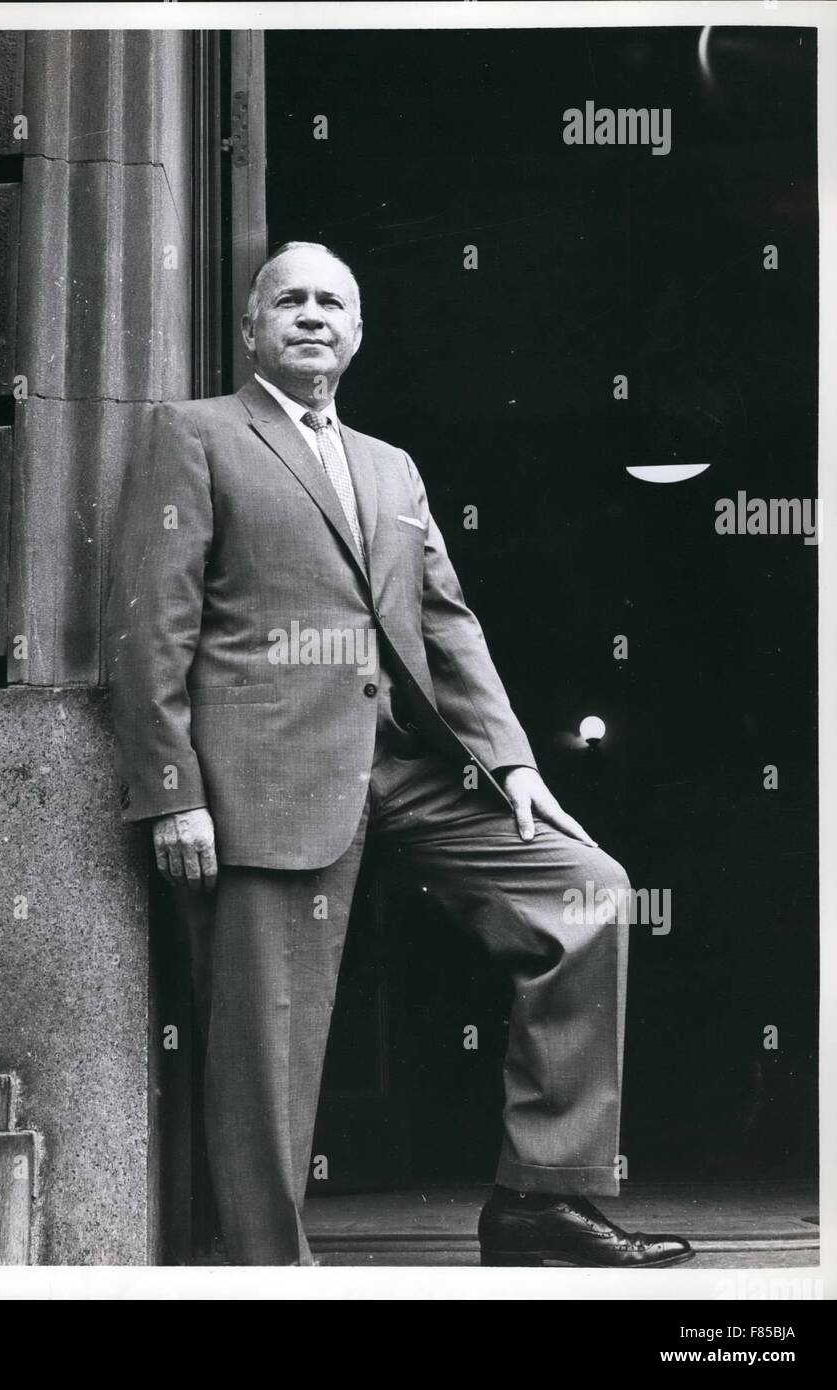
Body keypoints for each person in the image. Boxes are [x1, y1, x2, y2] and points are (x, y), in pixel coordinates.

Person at [105, 241, 693, 1268]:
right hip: (265, 780)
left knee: (588, 892)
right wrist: (172, 791)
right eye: (288, 299)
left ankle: (538, 1202)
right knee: (265, 1052)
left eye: (334, 301)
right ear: (252, 329)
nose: (313, 314)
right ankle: (268, 1271)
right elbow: (151, 627)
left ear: (359, 333)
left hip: (405, 771)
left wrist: (514, 769)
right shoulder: (194, 435)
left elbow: (447, 622)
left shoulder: (392, 467)